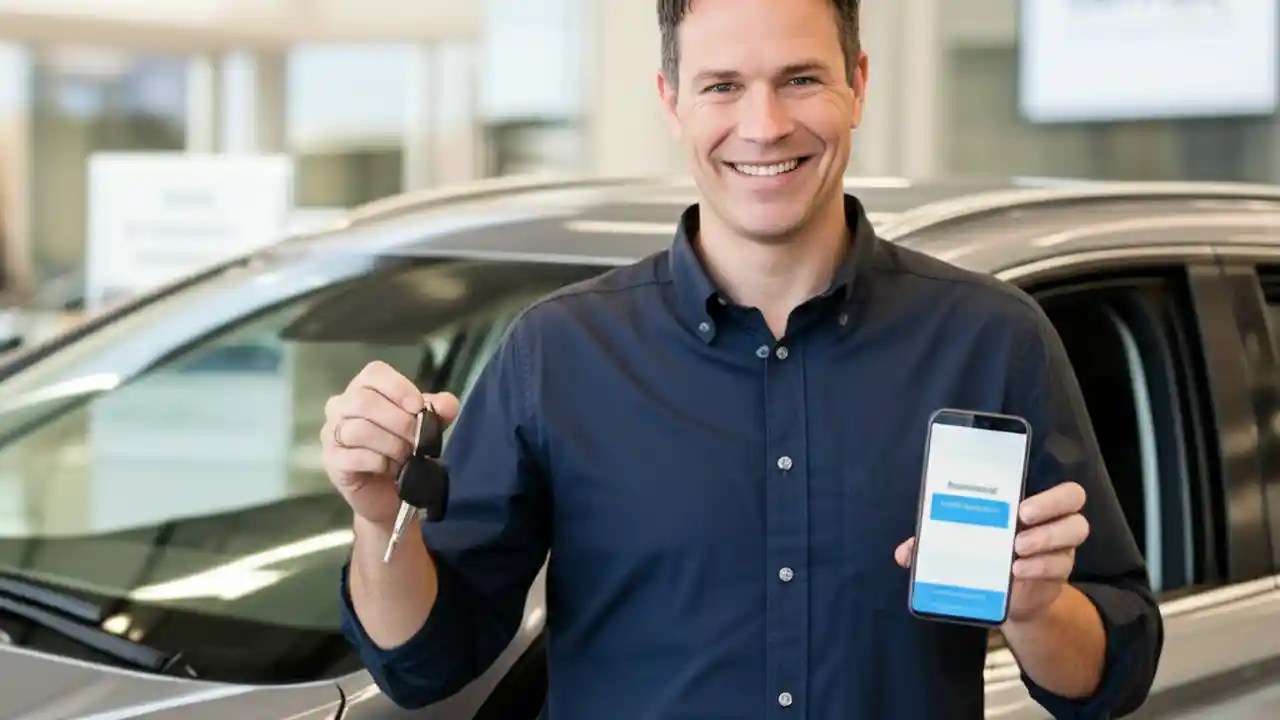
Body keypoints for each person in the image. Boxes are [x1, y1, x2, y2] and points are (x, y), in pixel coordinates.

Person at [322, 0, 1163, 716]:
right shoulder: (558, 355)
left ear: (857, 84)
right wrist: (375, 518)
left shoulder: (990, 339)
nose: (763, 126)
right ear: (671, 100)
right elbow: (426, 662)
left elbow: (1106, 680)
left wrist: (1037, 612)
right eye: (723, 85)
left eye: (800, 79)